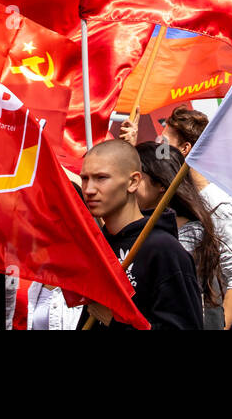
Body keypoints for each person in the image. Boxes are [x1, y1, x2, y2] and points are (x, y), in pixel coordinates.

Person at [140, 106, 232, 327]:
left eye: (163, 143)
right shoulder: (169, 197)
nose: (157, 148)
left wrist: (220, 325)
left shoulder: (216, 203)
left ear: (185, 148)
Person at [78, 139, 203, 329]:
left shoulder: (164, 250)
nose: (89, 190)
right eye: (85, 178)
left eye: (101, 178)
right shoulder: (99, 247)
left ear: (133, 182)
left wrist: (115, 322)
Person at [136, 142, 226, 328]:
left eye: (136, 176)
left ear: (160, 184)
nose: (127, 183)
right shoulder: (147, 230)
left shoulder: (186, 239)